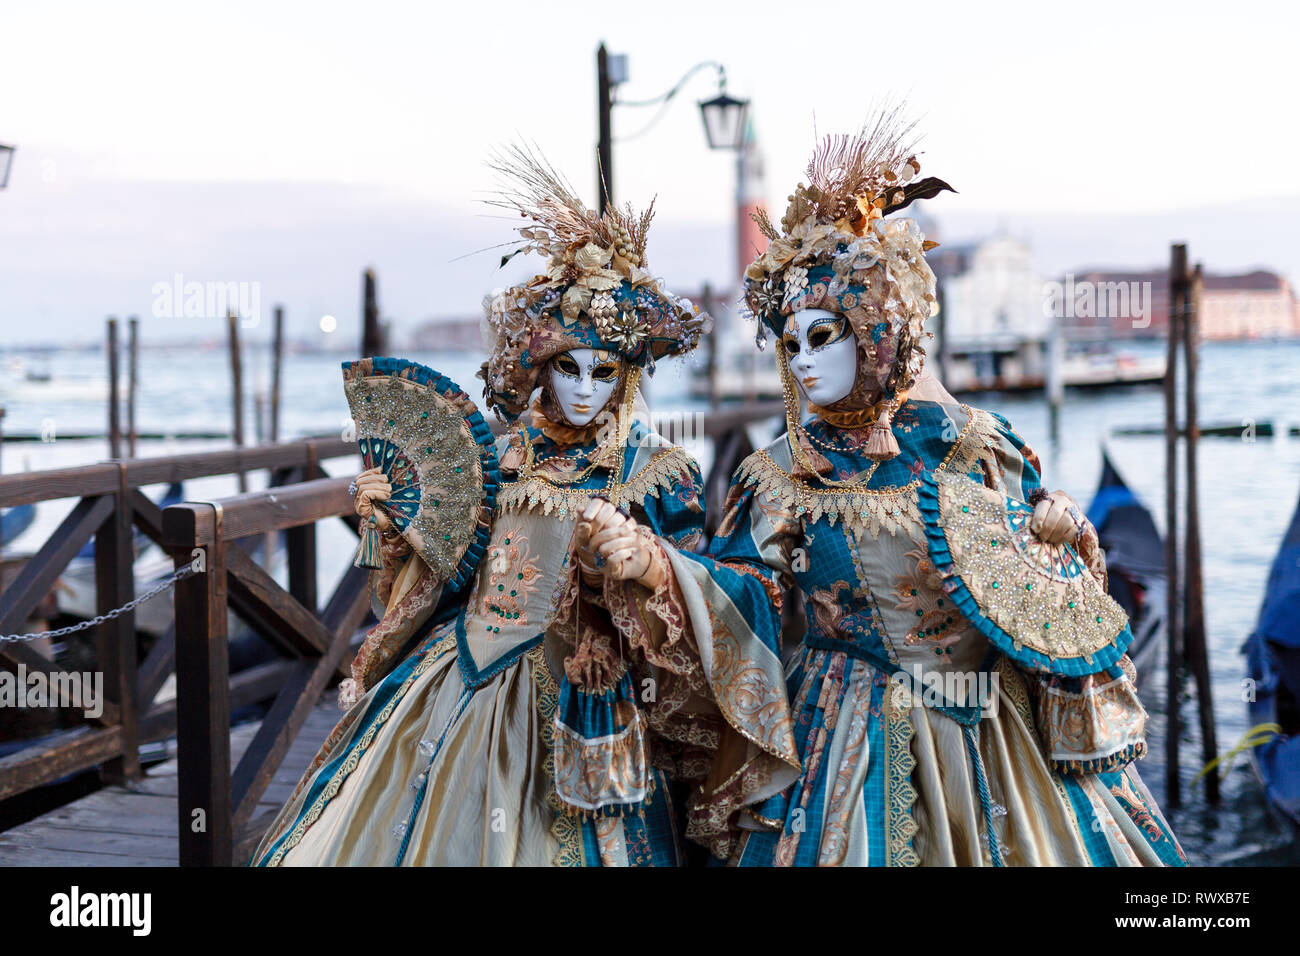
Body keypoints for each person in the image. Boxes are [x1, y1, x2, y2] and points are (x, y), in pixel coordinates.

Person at [579, 115, 1185, 866]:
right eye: (789, 342)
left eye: (822, 336)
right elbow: (751, 599)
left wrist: (1060, 533)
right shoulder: (780, 476)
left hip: (992, 729)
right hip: (845, 742)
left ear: (875, 332)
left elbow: (1048, 596)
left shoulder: (974, 444)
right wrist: (658, 568)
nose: (801, 363)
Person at [250, 149, 795, 866]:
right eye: (566, 367)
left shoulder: (655, 473)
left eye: (604, 372)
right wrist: (391, 527)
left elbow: (697, 602)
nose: (583, 389)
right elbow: (453, 577)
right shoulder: (502, 459)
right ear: (539, 369)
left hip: (579, 698)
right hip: (458, 683)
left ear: (628, 375)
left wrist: (641, 568)